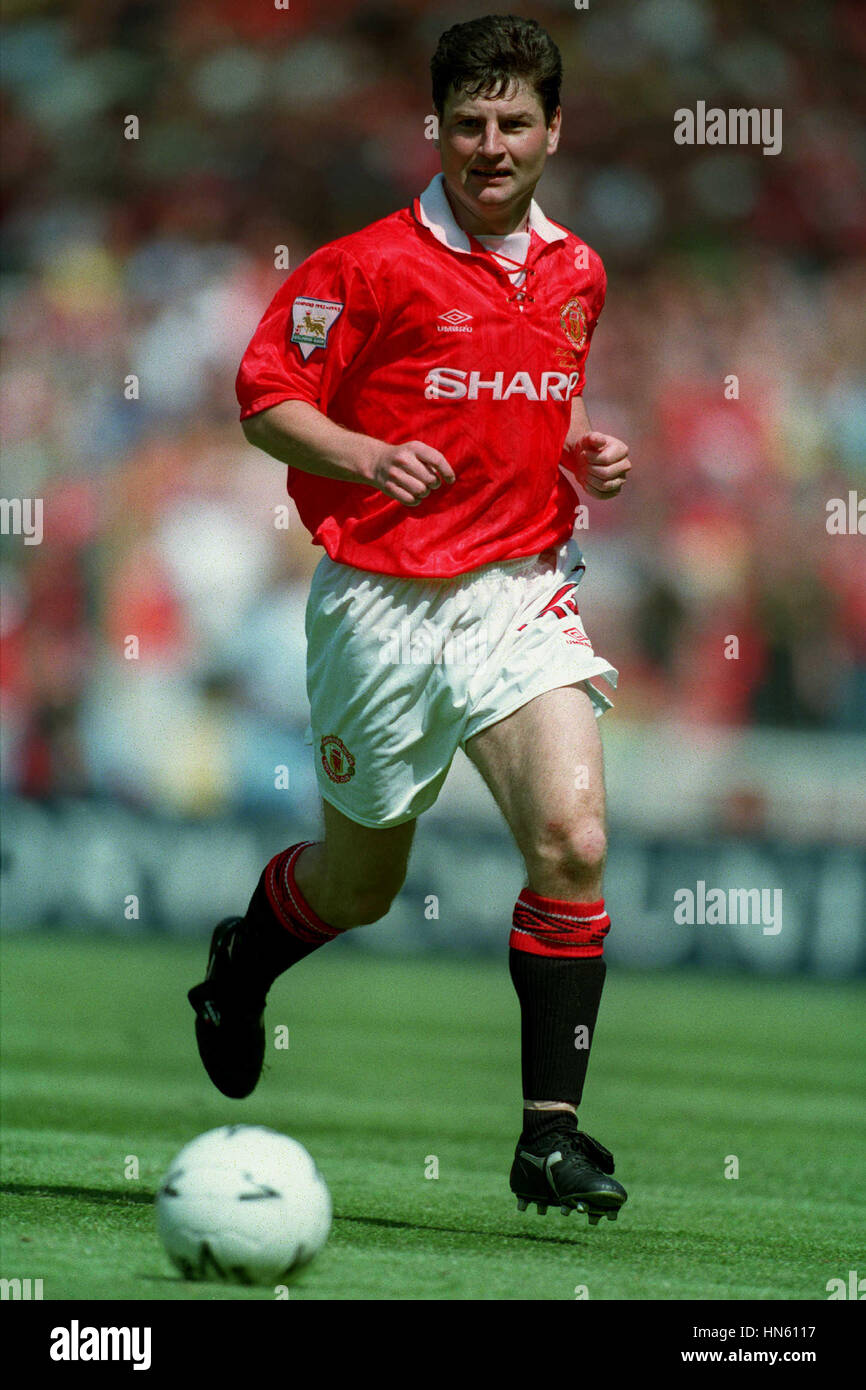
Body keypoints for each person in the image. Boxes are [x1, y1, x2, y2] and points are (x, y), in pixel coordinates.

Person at [189, 13, 632, 1225]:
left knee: (575, 842)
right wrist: (362, 452)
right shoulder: (364, 265)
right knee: (359, 883)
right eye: (467, 123)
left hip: (515, 591)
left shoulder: (577, 270)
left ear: (552, 129)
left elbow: (535, 405)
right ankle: (239, 970)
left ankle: (550, 1136)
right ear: (435, 128)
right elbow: (265, 397)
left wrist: (580, 456)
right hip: (379, 604)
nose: (490, 145)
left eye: (513, 122)